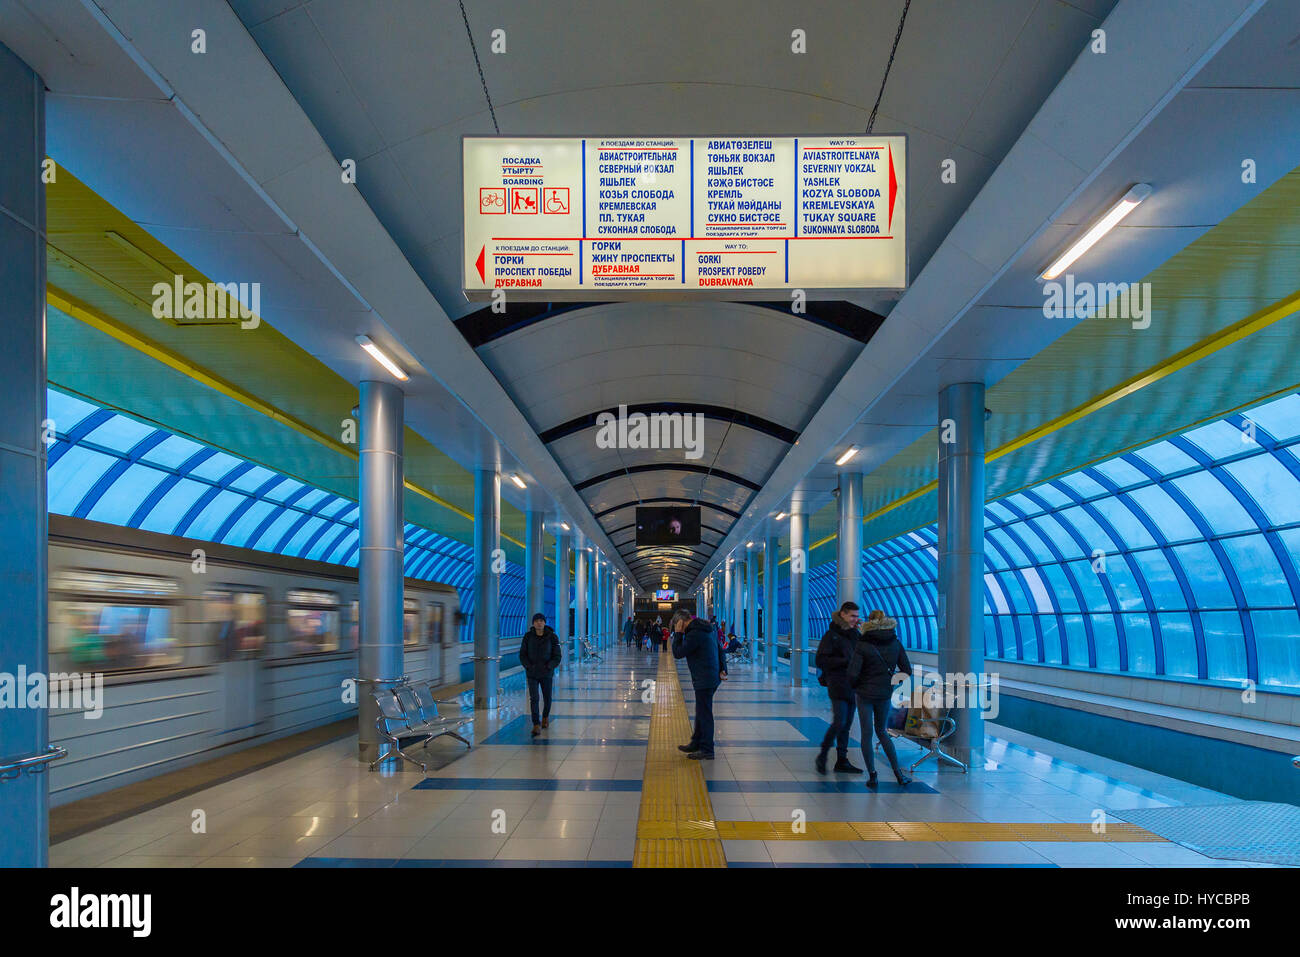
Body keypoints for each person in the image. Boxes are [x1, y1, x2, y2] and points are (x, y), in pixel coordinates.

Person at [849, 610, 913, 788]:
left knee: (866, 734)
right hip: (884, 694)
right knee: (883, 732)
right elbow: (907, 670)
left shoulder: (863, 644)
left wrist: (857, 685)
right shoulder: (895, 642)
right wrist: (891, 682)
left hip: (864, 694)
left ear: (869, 623)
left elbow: (853, 673)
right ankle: (898, 774)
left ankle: (873, 776)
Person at [813, 601, 862, 775]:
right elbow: (820, 660)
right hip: (837, 684)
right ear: (843, 614)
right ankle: (823, 755)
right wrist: (845, 661)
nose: (855, 619)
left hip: (853, 686)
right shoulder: (831, 635)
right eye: (852, 616)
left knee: (847, 724)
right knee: (839, 721)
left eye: (857, 616)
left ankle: (842, 760)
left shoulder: (856, 635)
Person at [671, 609, 721, 760]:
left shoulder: (694, 634)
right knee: (701, 712)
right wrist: (723, 669)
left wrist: (678, 634)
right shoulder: (705, 627)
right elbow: (719, 648)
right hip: (710, 676)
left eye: (677, 625)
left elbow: (678, 653)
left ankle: (707, 750)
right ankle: (696, 743)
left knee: (704, 714)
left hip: (704, 678)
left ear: (681, 622)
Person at [518, 613, 562, 737]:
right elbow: (522, 654)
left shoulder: (552, 637)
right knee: (534, 698)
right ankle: (536, 724)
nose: (539, 623)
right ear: (533, 623)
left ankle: (545, 717)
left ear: (544, 622)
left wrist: (549, 666)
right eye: (536, 621)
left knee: (547, 697)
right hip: (532, 673)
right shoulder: (528, 637)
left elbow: (557, 656)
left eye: (541, 621)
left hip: (546, 673)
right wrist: (528, 666)